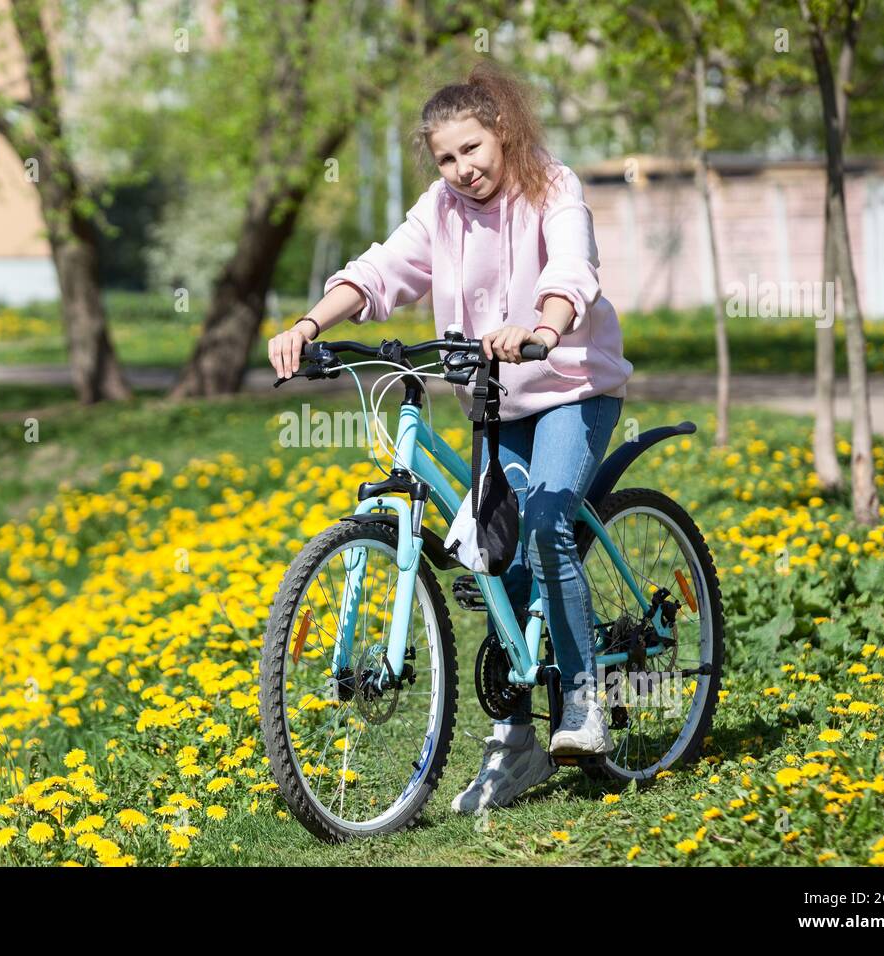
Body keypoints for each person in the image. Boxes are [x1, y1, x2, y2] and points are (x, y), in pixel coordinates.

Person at [267, 61, 632, 814]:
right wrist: (309, 325)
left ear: (501, 131)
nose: (462, 170)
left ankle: (586, 700)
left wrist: (543, 324)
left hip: (572, 387)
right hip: (494, 404)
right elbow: (381, 270)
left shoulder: (552, 187)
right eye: (446, 158)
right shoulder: (440, 209)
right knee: (490, 559)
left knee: (544, 526)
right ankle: (517, 744)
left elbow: (572, 265)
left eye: (472, 149)